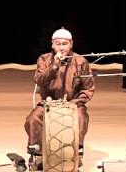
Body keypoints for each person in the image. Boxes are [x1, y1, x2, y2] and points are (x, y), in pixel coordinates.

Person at [24, 27, 94, 162]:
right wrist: (54, 66)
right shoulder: (44, 59)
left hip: (73, 103)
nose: (61, 48)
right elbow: (39, 80)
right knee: (33, 119)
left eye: (64, 44)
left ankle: (75, 152)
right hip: (48, 103)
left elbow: (88, 88)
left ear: (71, 44)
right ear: (52, 44)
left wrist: (74, 103)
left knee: (81, 118)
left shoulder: (81, 61)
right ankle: (38, 154)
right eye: (58, 44)